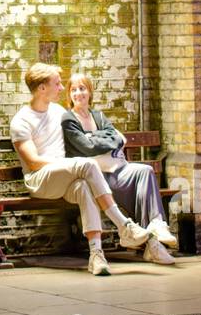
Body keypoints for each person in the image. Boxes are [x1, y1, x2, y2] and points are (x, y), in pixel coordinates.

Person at [11, 63, 154, 276]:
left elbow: (88, 133)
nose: (62, 88)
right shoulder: (22, 120)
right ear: (42, 88)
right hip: (40, 180)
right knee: (86, 165)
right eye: (57, 84)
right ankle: (124, 225)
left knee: (84, 187)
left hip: (66, 178)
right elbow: (33, 162)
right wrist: (69, 165)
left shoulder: (59, 112)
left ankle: (96, 255)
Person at [61, 73, 177, 265]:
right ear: (69, 94)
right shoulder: (68, 120)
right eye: (73, 90)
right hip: (95, 179)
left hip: (116, 171)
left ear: (90, 92)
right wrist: (101, 139)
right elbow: (87, 148)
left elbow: (118, 139)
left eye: (82, 88)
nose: (78, 93)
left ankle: (157, 226)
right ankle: (153, 247)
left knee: (144, 171)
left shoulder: (98, 115)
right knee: (141, 190)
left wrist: (93, 137)